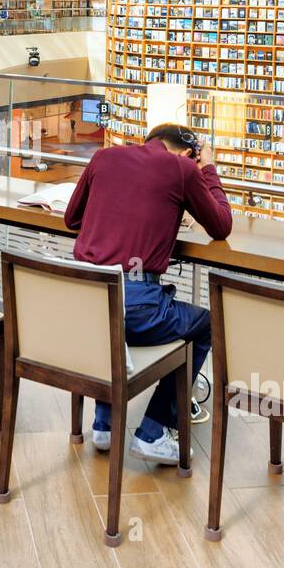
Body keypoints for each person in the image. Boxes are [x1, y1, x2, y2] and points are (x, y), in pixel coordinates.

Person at [63, 123, 233, 465]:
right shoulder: (184, 169)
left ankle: (104, 425)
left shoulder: (104, 156)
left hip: (84, 302)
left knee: (110, 319)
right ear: (189, 154)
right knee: (205, 324)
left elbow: (71, 218)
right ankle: (153, 431)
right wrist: (209, 169)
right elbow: (221, 225)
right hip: (138, 305)